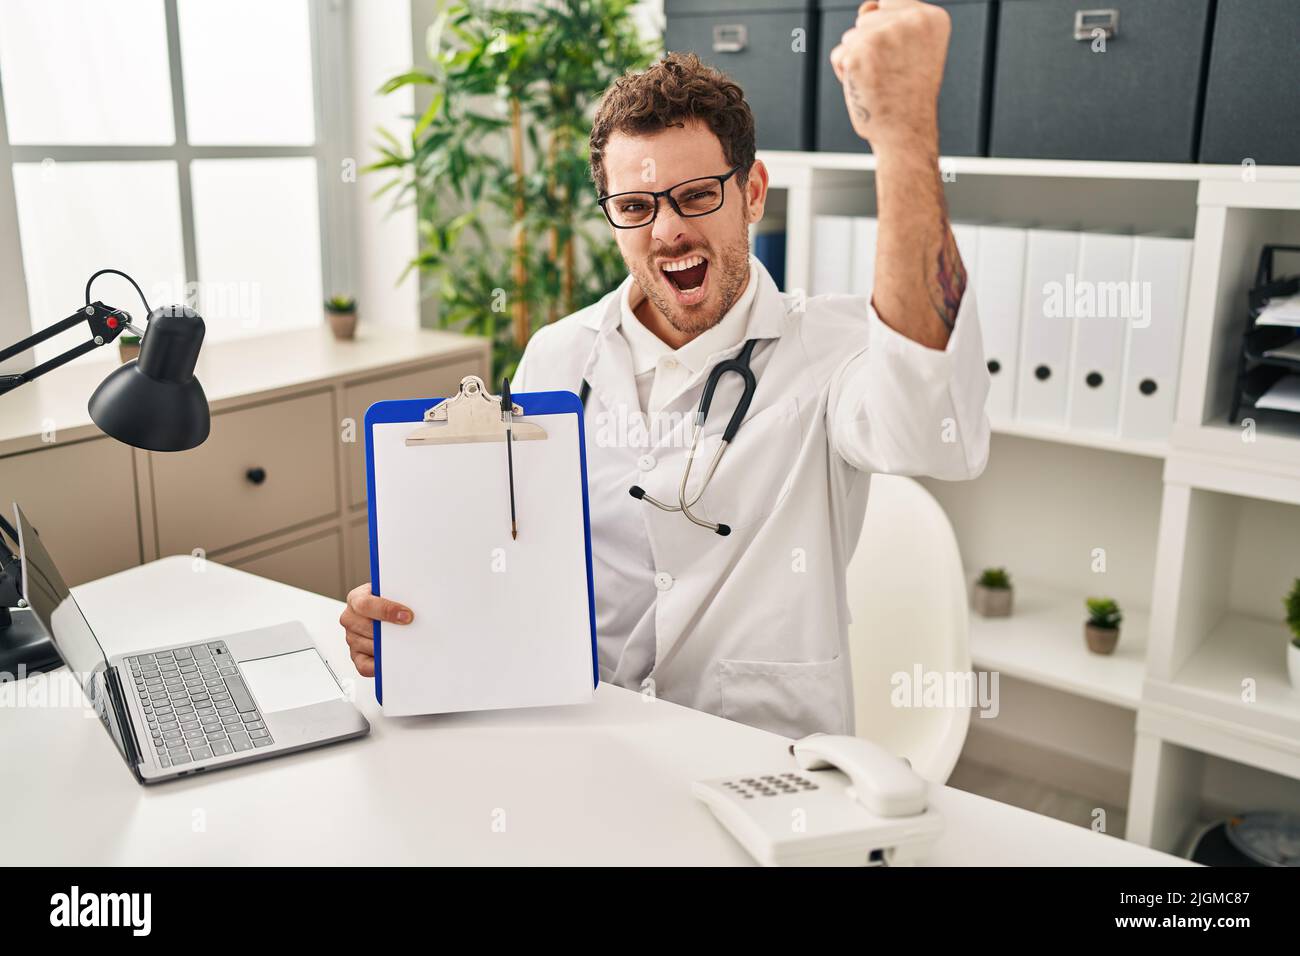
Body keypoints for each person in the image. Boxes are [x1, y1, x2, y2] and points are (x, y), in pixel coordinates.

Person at [340, 0, 990, 737]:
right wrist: (411, 617)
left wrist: (903, 131)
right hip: (587, 737)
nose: (668, 228)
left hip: (767, 767)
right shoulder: (558, 358)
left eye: (695, 196)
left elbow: (939, 437)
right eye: (636, 205)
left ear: (750, 193)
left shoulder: (831, 349)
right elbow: (501, 558)